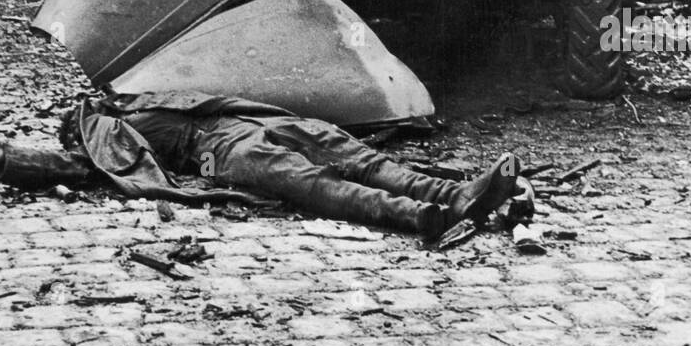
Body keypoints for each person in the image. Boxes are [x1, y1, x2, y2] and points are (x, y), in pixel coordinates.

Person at [38, 93, 521, 240]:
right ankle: (414, 217)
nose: (82, 109)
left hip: (251, 121)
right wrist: (5, 157)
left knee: (358, 157)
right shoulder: (103, 137)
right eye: (75, 116)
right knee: (311, 183)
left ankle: (455, 195)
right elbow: (80, 165)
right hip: (217, 152)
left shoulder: (136, 95)